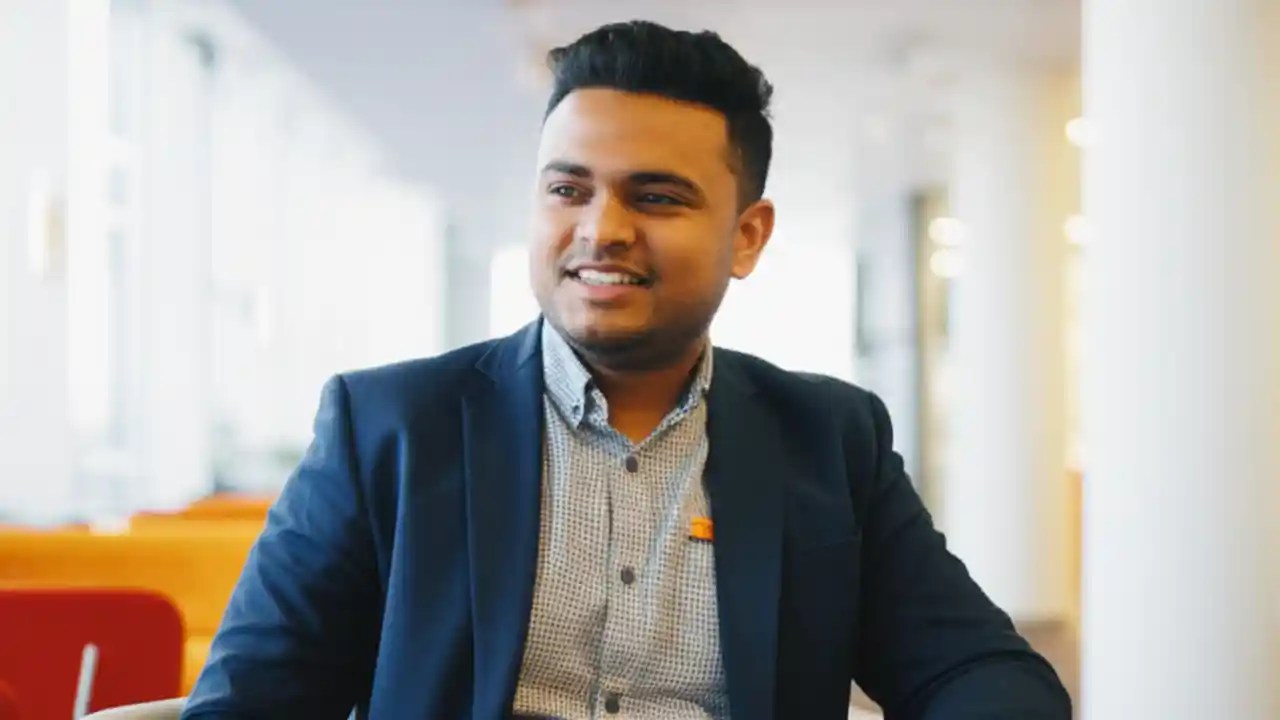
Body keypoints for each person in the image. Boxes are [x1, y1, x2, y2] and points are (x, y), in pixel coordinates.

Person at [183, 20, 1070, 720]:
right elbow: (254, 702)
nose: (601, 228)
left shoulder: (829, 440)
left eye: (656, 197)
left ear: (747, 235)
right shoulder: (389, 427)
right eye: (568, 189)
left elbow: (980, 672)